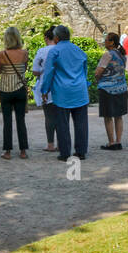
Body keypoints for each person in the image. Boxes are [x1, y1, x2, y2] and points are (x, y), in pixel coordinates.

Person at [38, 25, 90, 161]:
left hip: (62, 92)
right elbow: (85, 70)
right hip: (80, 90)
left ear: (56, 38)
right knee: (81, 123)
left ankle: (65, 153)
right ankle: (81, 151)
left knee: (62, 124)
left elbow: (48, 73)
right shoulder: (78, 50)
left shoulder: (55, 52)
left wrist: (44, 90)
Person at [0, 27, 30, 159]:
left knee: (7, 121)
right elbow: (24, 68)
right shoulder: (24, 53)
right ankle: (23, 151)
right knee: (21, 121)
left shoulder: (2, 54)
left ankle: (8, 152)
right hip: (20, 88)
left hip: (5, 89)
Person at [95, 32, 128, 150]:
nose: (104, 42)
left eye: (106, 40)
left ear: (111, 42)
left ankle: (111, 142)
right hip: (121, 88)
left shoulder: (107, 55)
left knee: (108, 116)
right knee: (118, 116)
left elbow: (98, 72)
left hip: (107, 89)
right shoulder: (121, 55)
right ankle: (118, 141)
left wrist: (97, 79)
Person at [32, 26, 59, 151]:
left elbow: (35, 71)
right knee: (61, 116)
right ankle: (61, 142)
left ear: (46, 38)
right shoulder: (61, 49)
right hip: (60, 85)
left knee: (49, 116)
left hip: (46, 86)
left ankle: (50, 144)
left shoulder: (42, 51)